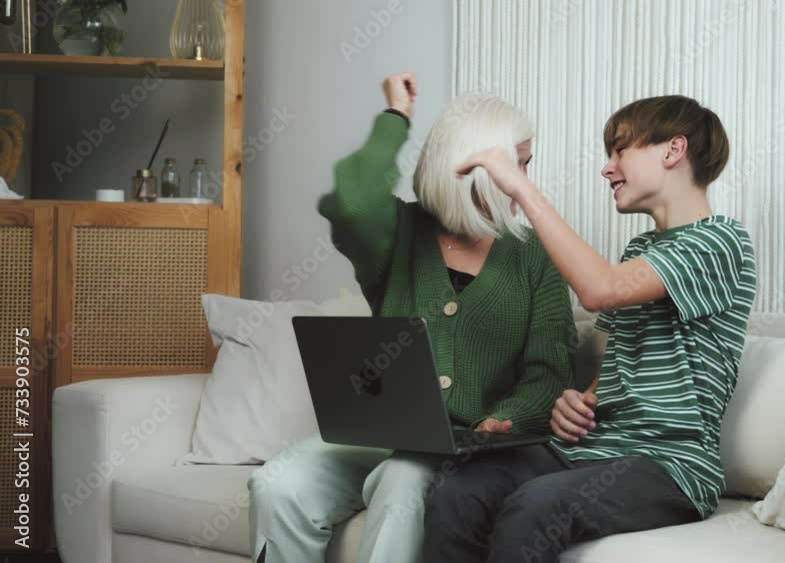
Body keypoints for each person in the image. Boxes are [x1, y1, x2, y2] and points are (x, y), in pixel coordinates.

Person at [247, 72, 575, 563]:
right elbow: (352, 200)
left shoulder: (536, 256)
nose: (521, 184)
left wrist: (503, 419)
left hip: (464, 452)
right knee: (276, 483)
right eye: (515, 167)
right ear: (468, 167)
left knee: (403, 487)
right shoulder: (397, 234)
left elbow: (550, 375)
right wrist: (396, 115)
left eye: (526, 166)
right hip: (376, 438)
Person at [421, 94, 759, 563]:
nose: (608, 168)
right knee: (459, 488)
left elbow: (600, 290)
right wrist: (579, 401)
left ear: (672, 150)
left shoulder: (720, 240)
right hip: (595, 451)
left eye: (620, 151)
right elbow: (628, 354)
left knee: (536, 505)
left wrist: (519, 187)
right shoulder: (642, 249)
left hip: (671, 466)